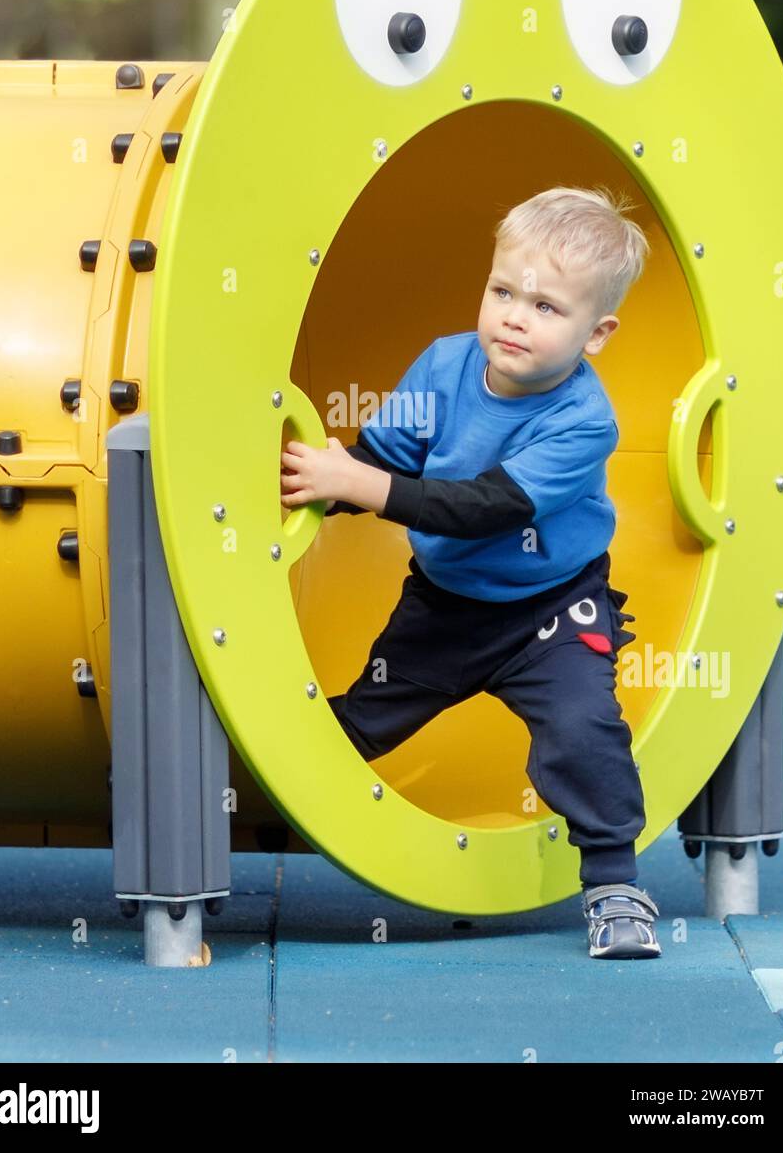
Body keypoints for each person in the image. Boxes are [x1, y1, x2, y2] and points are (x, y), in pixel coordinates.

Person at [280, 185, 661, 959]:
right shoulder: (445, 364)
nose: (516, 316)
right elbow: (379, 460)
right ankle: (256, 812)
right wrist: (312, 483)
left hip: (552, 610)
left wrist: (364, 488)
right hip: (446, 607)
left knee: (584, 730)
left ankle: (616, 884)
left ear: (598, 333)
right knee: (360, 719)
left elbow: (487, 506)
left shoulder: (585, 420)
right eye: (503, 291)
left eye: (548, 308)